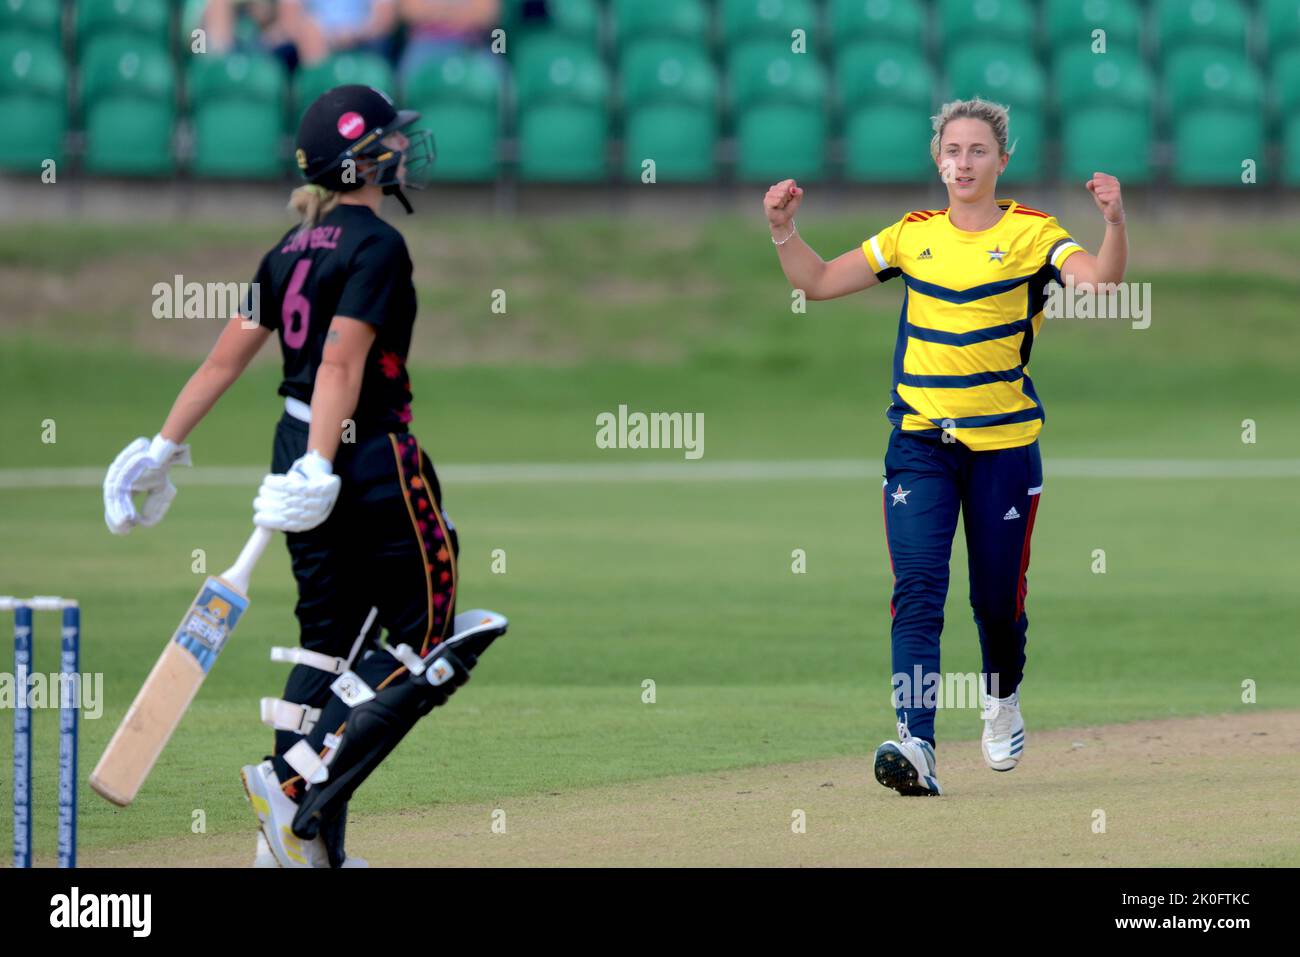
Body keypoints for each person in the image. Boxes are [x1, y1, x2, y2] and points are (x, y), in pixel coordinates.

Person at [102, 84, 506, 865]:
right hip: (365, 455)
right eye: (387, 140)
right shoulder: (377, 245)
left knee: (328, 647)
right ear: (357, 162)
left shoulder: (285, 249)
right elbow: (343, 361)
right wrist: (326, 460)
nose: (400, 150)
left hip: (296, 452)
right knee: (432, 630)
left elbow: (224, 360)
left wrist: (161, 446)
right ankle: (293, 790)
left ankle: (292, 847)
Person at [764, 97, 1127, 796]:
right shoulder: (911, 235)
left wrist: (1114, 225)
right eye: (953, 151)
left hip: (1005, 449)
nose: (964, 162)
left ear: (1002, 161)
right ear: (938, 160)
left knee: (996, 600)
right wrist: (785, 232)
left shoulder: (1031, 233)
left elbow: (1102, 283)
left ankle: (1002, 699)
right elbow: (816, 282)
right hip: (920, 445)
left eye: (978, 151)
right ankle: (918, 744)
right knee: (918, 590)